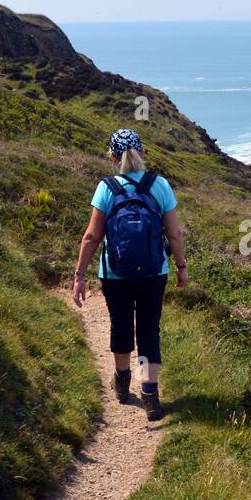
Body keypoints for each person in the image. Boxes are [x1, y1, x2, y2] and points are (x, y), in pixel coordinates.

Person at [73, 128, 187, 421]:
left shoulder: (106, 187)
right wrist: (182, 268)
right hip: (154, 272)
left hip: (115, 273)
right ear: (143, 153)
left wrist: (79, 275)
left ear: (112, 156)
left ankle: (122, 385)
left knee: (120, 325)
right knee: (149, 331)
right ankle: (150, 396)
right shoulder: (159, 184)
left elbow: (91, 237)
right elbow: (174, 234)